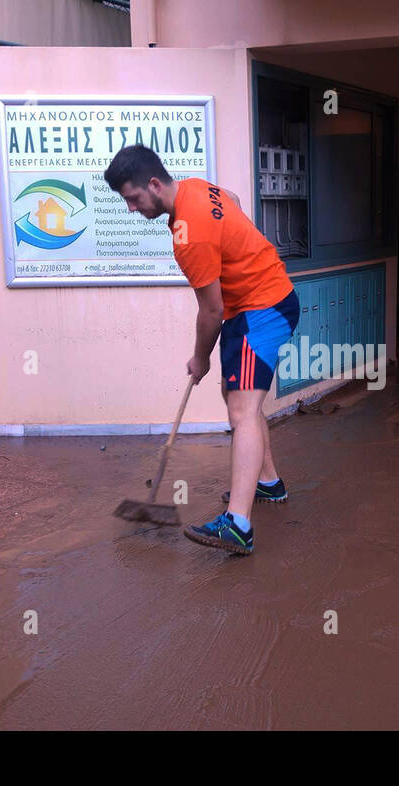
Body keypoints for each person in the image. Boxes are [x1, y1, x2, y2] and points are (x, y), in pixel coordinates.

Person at [104, 145, 299, 556]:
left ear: (154, 184)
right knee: (239, 397)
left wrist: (201, 358)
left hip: (262, 307)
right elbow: (234, 200)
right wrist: (238, 246)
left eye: (133, 198)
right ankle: (269, 483)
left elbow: (212, 311)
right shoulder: (195, 187)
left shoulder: (187, 237)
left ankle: (238, 526)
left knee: (242, 411)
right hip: (259, 300)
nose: (131, 209)